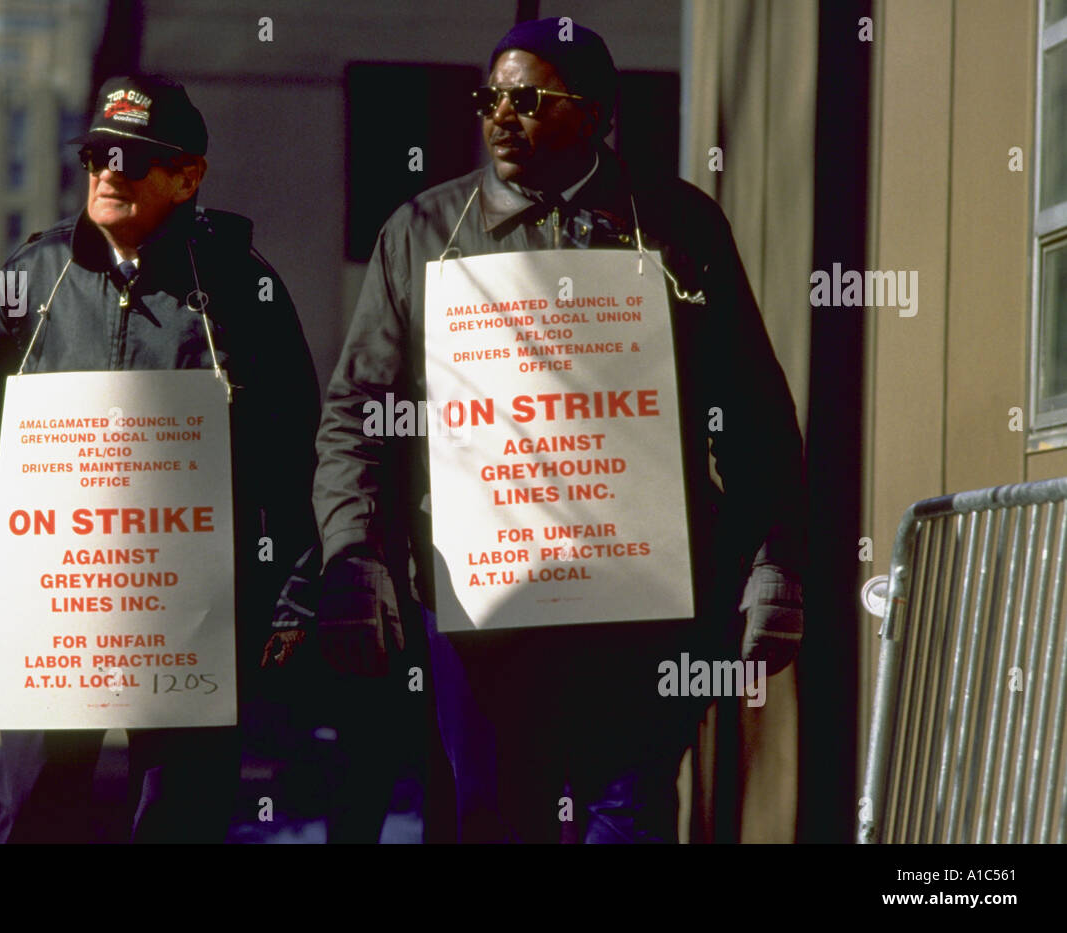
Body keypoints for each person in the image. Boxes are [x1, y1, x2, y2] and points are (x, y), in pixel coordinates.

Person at [307, 18, 806, 843]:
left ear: (597, 113)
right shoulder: (424, 233)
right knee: (498, 814)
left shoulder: (678, 227)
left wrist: (774, 562)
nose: (501, 117)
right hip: (484, 600)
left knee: (632, 810)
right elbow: (360, 412)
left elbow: (751, 410)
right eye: (489, 98)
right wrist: (352, 553)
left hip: (647, 602)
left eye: (528, 100)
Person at [0, 74, 320, 843]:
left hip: (191, 618)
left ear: (189, 176)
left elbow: (293, 454)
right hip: (59, 613)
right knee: (32, 811)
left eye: (133, 157)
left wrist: (293, 596)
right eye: (97, 154)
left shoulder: (240, 286)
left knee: (179, 815)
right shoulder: (30, 281)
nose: (110, 171)